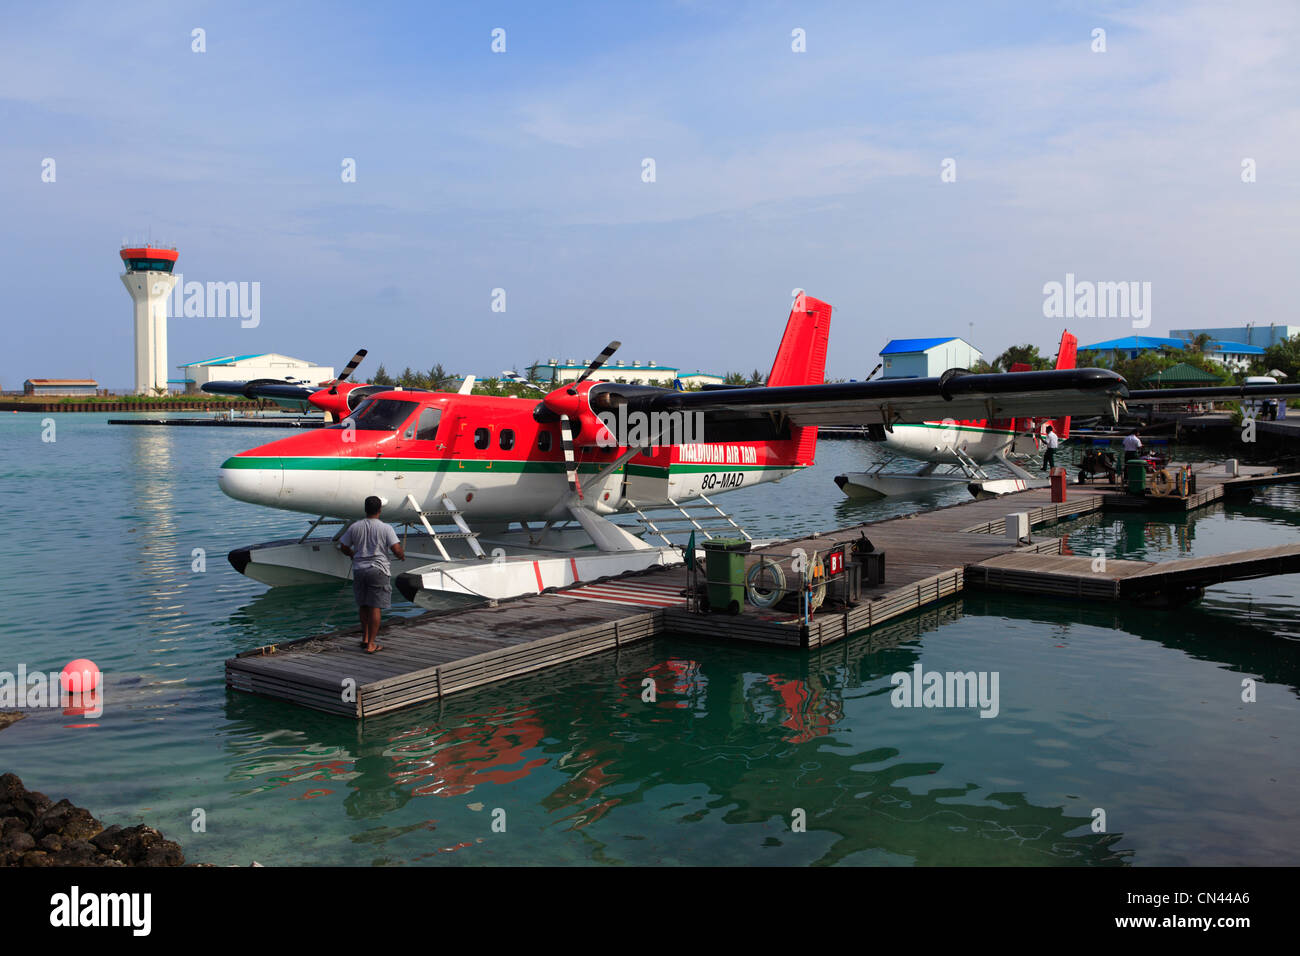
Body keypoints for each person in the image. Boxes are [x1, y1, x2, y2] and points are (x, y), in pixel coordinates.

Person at [338, 496, 405, 653]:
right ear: (380, 510)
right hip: (378, 569)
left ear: (365, 509)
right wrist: (401, 556)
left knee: (363, 605)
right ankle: (371, 645)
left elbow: (343, 546)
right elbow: (396, 549)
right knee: (375, 606)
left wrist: (352, 554)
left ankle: (365, 638)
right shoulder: (386, 528)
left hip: (359, 569)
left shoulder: (355, 527)